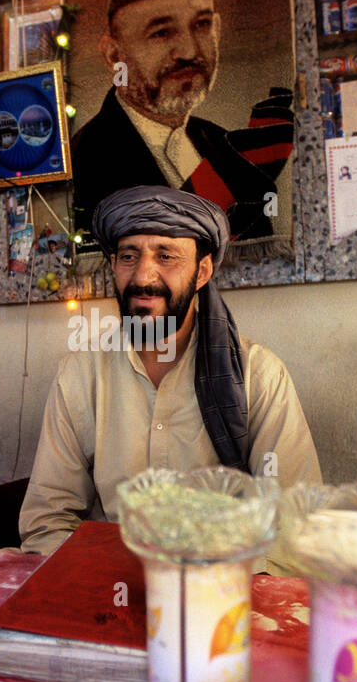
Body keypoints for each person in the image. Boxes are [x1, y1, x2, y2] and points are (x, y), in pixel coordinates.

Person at [19, 186, 322, 568]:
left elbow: (293, 528)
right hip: (110, 593)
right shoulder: (80, 374)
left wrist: (207, 590)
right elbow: (48, 520)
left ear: (203, 271)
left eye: (166, 256)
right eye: (129, 256)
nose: (144, 276)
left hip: (223, 599)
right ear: (113, 265)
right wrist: (103, 583)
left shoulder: (259, 375)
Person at [70, 0, 295, 245]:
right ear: (114, 54)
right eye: (161, 33)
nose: (188, 50)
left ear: (217, 28)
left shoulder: (222, 143)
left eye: (201, 24)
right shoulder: (86, 160)